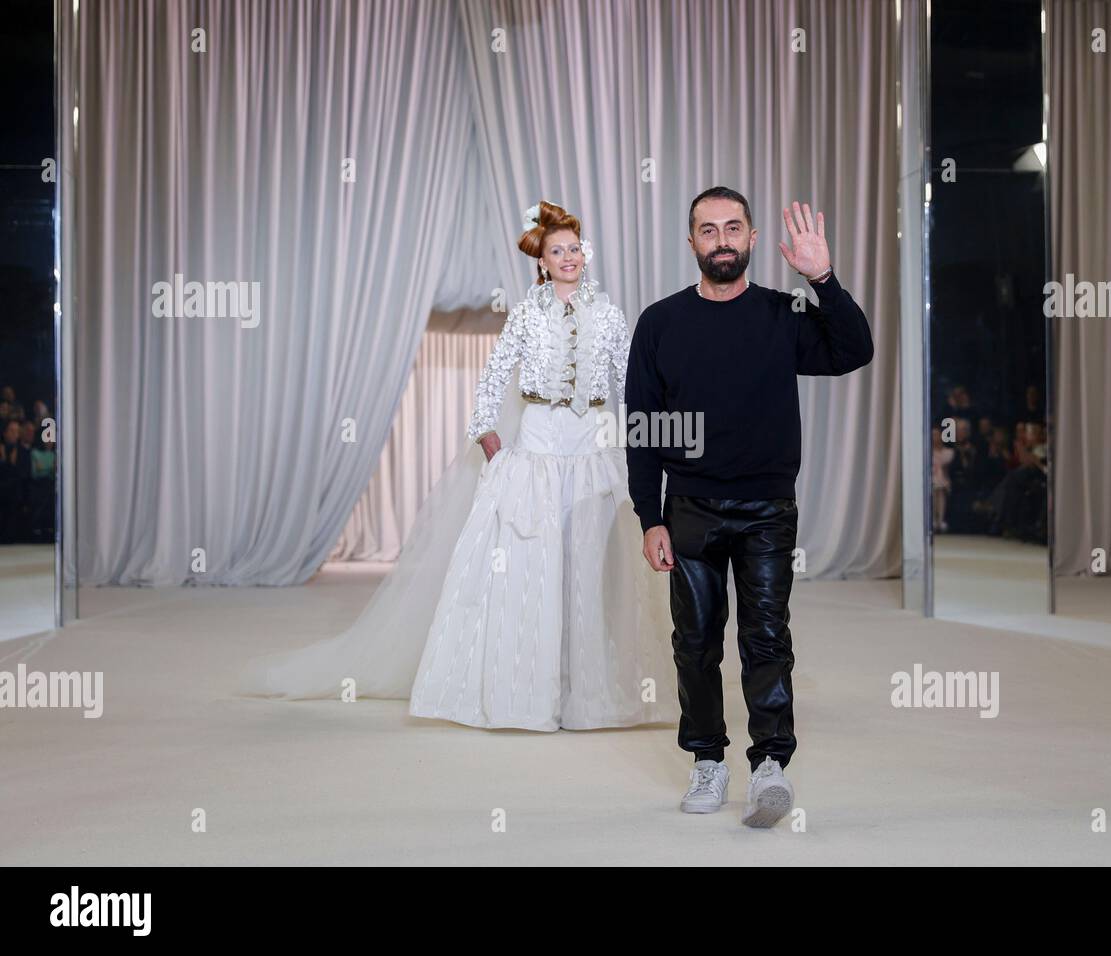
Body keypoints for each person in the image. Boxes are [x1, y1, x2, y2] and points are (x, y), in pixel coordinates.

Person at [242, 201, 675, 732]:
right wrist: (487, 433)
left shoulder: (609, 315)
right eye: (556, 251)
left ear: (585, 254)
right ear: (541, 262)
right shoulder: (526, 314)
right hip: (537, 447)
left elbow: (630, 380)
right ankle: (525, 695)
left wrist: (638, 440)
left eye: (573, 249)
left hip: (591, 451)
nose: (567, 257)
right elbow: (494, 374)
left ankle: (592, 698)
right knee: (530, 566)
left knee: (590, 568)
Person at [624, 188, 874, 827]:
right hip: (689, 507)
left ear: (753, 238)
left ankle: (770, 766)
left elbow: (854, 351)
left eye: (733, 227)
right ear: (691, 242)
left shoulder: (784, 312)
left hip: (766, 507)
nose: (722, 240)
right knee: (695, 643)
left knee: (765, 638)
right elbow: (642, 426)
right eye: (708, 230)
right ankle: (708, 759)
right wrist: (649, 516)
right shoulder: (659, 323)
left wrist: (823, 279)